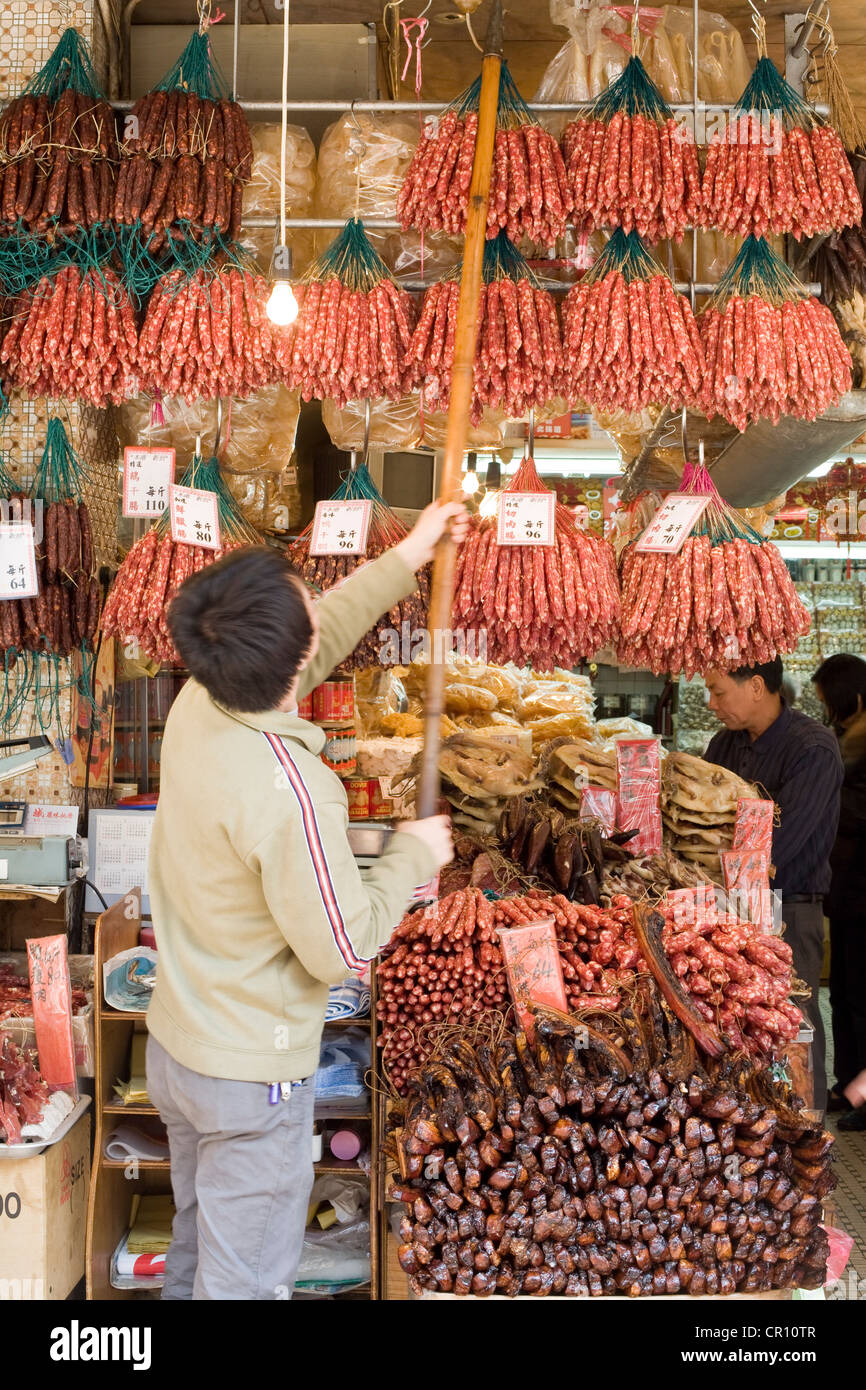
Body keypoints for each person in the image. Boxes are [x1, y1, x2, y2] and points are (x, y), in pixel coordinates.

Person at [145, 501, 468, 1300]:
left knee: (197, 1252)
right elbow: (343, 945)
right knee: (246, 1284)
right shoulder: (292, 790)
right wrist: (408, 858)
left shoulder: (202, 698)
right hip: (250, 1078)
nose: (314, 620)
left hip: (180, 1048)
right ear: (289, 667)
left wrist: (409, 558)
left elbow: (312, 634)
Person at [704, 657, 843, 1113]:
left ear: (757, 686)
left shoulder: (813, 748)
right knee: (736, 1021)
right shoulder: (724, 746)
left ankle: (807, 1133)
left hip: (789, 908)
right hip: (728, 905)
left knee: (794, 1023)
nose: (711, 704)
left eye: (719, 692)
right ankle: (754, 1132)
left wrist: (718, 859)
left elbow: (779, 846)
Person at [812, 653, 866, 1131]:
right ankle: (847, 1085)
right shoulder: (846, 739)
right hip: (849, 895)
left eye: (831, 702)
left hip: (863, 893)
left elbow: (854, 812)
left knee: (862, 997)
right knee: (847, 995)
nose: (827, 710)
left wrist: (829, 802)